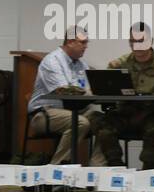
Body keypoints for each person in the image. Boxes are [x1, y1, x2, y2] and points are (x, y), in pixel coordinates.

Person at [92, 22, 154, 169]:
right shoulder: (118, 65)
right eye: (134, 41)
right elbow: (105, 92)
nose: (137, 45)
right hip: (125, 113)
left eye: (141, 41)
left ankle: (147, 173)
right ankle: (116, 167)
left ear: (151, 41)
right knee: (100, 123)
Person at [26, 26, 111, 166]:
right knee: (80, 122)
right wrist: (90, 92)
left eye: (87, 43)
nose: (86, 46)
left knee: (106, 122)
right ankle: (56, 170)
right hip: (43, 113)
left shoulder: (82, 64)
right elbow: (66, 93)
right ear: (70, 42)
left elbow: (86, 90)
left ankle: (96, 170)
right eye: (83, 42)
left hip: (74, 111)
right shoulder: (52, 61)